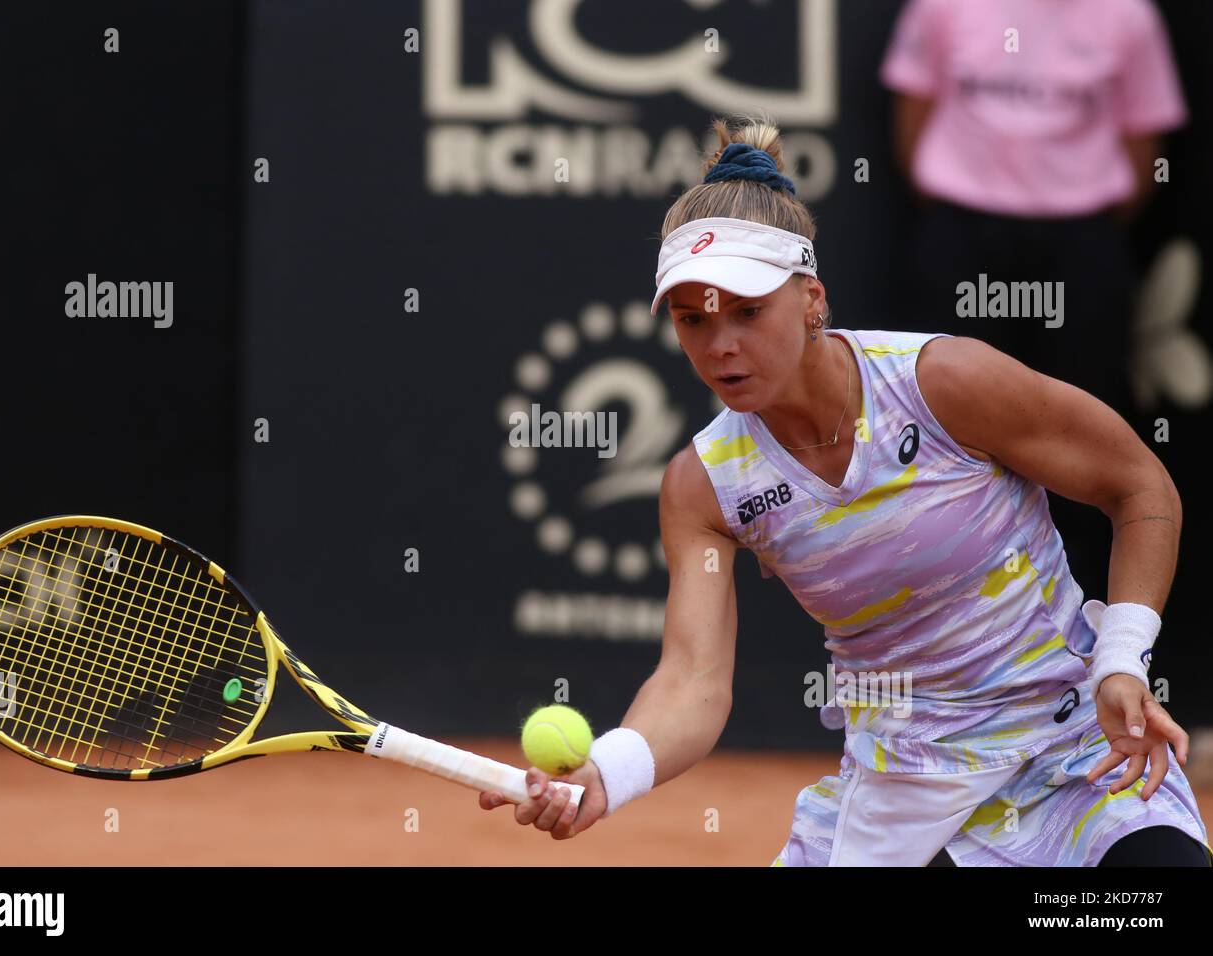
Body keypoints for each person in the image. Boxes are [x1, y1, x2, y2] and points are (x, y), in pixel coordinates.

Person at [478, 116, 1210, 867]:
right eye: (694, 321)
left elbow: (1138, 486)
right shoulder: (704, 487)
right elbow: (693, 681)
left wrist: (1122, 658)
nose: (721, 345)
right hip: (906, 794)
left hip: (1079, 754)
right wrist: (608, 772)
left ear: (812, 299)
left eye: (748, 311)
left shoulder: (946, 384)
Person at [880, 0, 1189, 603]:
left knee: (1088, 425)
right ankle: (942, 607)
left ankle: (1085, 618)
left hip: (1080, 244)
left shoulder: (1129, 16)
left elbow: (1143, 142)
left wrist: (1075, 210)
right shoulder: (941, 6)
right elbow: (913, 119)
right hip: (962, 237)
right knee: (936, 420)